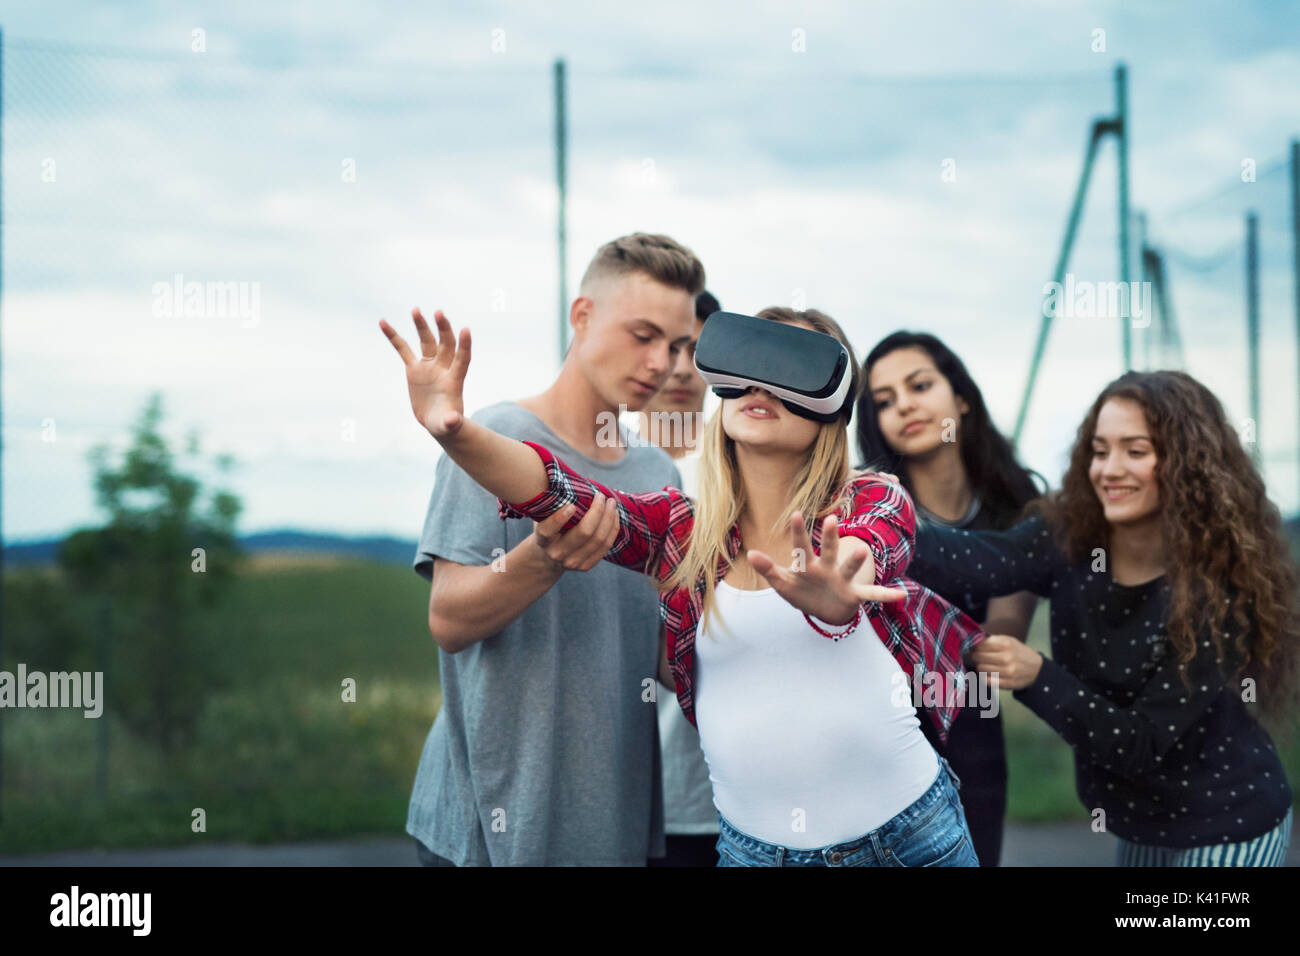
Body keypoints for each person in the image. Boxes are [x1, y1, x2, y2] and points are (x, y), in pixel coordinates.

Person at [381, 303, 989, 867]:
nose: (761, 388)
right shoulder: (681, 532)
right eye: (746, 370)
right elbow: (559, 489)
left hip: (909, 840)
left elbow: (866, 549)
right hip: (752, 853)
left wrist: (838, 596)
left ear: (831, 404)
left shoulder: (870, 498)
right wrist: (455, 432)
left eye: (789, 373)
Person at [907, 370, 1297, 866]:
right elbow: (982, 558)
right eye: (1099, 450)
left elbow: (1138, 743)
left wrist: (1036, 676)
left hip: (1229, 822)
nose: (1110, 469)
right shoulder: (1070, 538)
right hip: (1138, 824)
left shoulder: (1222, 589)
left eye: (1136, 451)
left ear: (1186, 464)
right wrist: (887, 520)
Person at [403, 233, 703, 865]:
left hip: (611, 825)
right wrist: (546, 559)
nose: (664, 364)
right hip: (488, 825)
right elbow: (449, 621)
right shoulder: (496, 440)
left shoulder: (659, 475)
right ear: (583, 316)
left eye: (678, 346)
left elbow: (666, 665)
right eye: (643, 335)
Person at [857, 331, 1042, 866]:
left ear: (960, 396)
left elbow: (1000, 640)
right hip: (880, 741)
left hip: (974, 735)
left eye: (919, 385)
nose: (905, 405)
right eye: (884, 400)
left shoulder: (1017, 506)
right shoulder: (867, 506)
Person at [638, 289, 720, 867]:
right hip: (622, 779)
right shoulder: (597, 469)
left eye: (696, 348)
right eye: (666, 347)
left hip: (716, 787)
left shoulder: (744, 469)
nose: (681, 367)